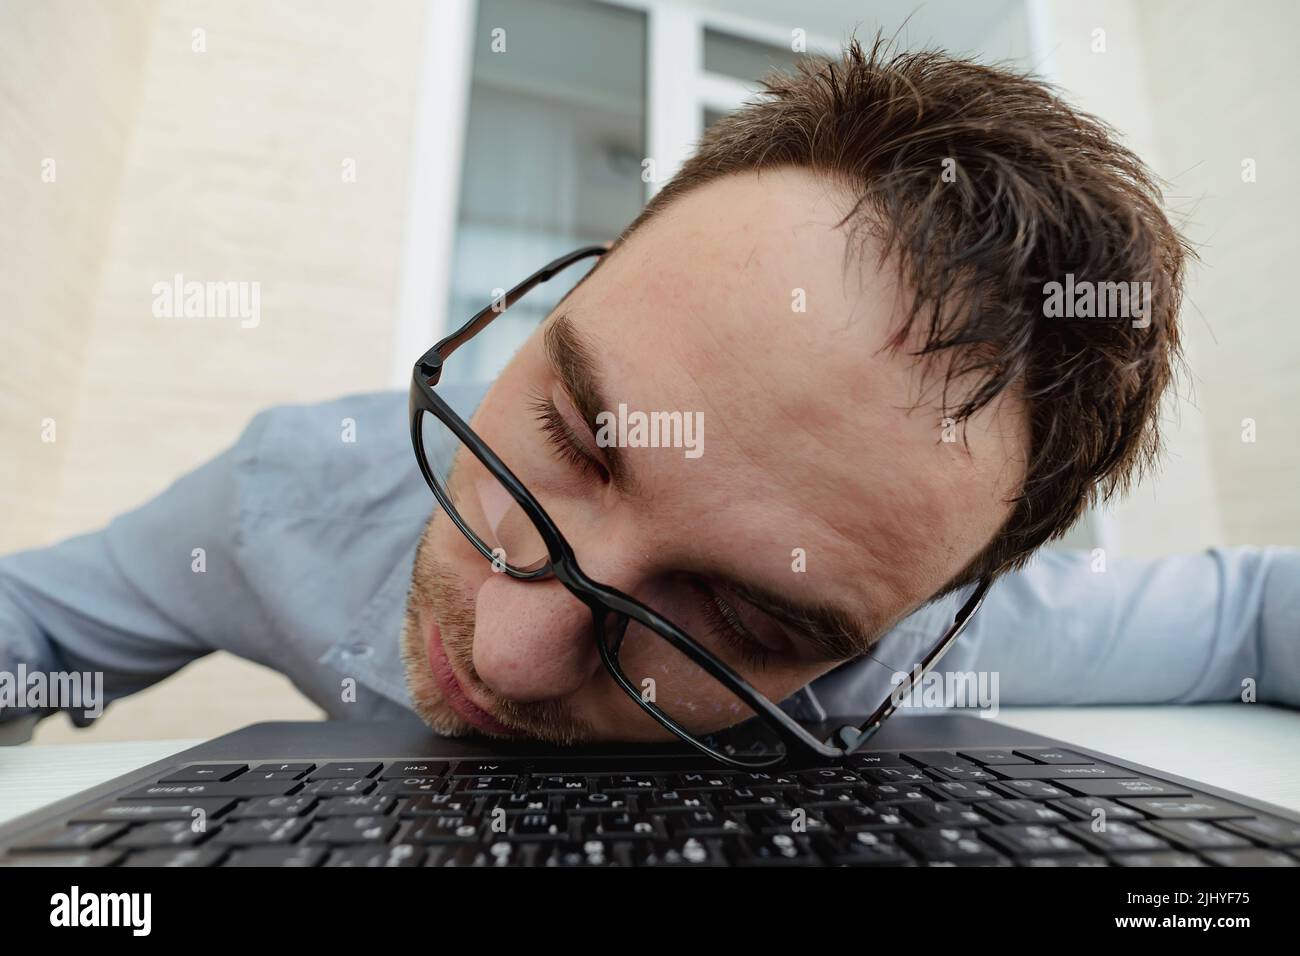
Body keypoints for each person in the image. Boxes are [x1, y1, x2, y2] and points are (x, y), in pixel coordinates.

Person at [2, 41, 1295, 748]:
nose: (501, 657)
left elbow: (1252, 623)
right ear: (546, 300)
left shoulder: (947, 648)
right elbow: (32, 639)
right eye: (570, 433)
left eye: (735, 616)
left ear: (927, 620)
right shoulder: (285, 499)